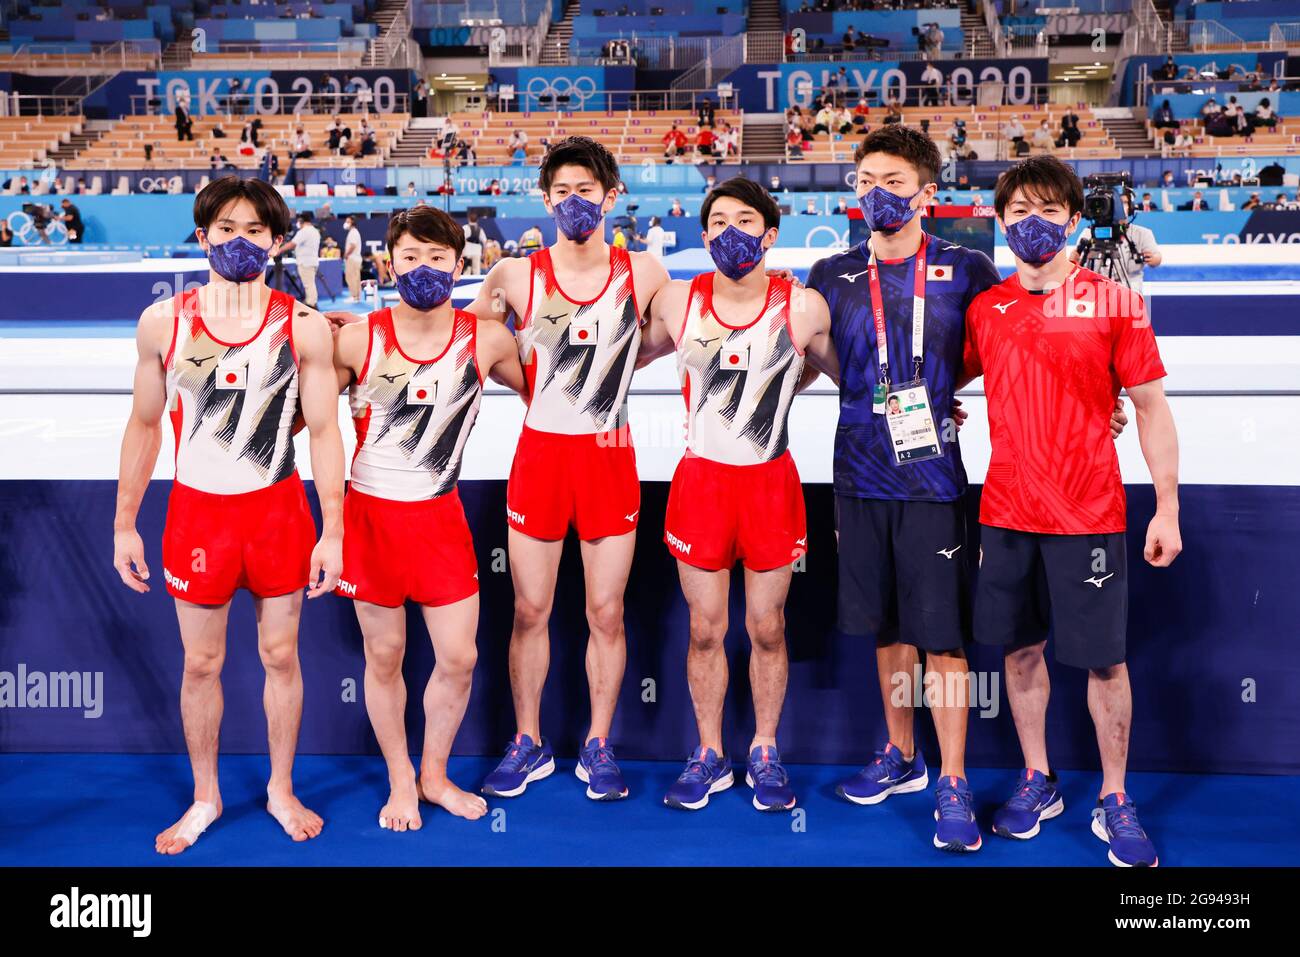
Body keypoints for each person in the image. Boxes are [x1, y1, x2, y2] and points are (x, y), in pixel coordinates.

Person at [111, 177, 342, 854]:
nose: (240, 241)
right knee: (201, 663)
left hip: (277, 513)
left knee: (280, 655)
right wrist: (125, 522)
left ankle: (281, 788)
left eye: (255, 230)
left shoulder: (303, 326)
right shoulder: (164, 322)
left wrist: (332, 529)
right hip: (198, 515)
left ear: (277, 242)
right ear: (202, 234)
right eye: (226, 228)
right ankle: (205, 795)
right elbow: (144, 425)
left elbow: (325, 432)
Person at [964, 155, 1181, 867]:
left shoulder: (1116, 303)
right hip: (1006, 511)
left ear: (1074, 220)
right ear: (1000, 222)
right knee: (1020, 651)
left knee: (1105, 662)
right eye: (1020, 210)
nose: (1034, 222)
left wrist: (1167, 507)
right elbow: (942, 379)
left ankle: (1115, 795)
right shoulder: (985, 309)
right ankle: (1038, 776)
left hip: (1089, 513)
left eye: (1050, 210)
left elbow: (1150, 408)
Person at [807, 126, 1001, 853]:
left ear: (927, 192)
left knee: (941, 633)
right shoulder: (830, 272)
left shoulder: (968, 266)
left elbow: (1007, 343)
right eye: (865, 179)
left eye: (893, 180)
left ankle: (953, 777)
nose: (876, 192)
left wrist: (941, 387)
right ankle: (901, 753)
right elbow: (821, 359)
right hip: (858, 473)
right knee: (886, 623)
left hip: (933, 478)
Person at [464, 136, 671, 800]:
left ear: (611, 197)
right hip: (542, 454)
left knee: (605, 611)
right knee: (530, 608)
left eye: (586, 189)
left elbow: (688, 331)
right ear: (545, 198)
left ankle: (598, 743)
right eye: (562, 190)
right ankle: (527, 741)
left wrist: (613, 370)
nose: (574, 201)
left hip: (608, 453)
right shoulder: (513, 275)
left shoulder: (644, 272)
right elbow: (462, 345)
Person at [635, 177, 837, 812]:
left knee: (767, 628)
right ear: (703, 235)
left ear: (771, 234)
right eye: (718, 222)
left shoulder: (803, 306)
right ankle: (709, 753)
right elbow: (617, 359)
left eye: (745, 221)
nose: (730, 233)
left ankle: (766, 749)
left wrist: (933, 407)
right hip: (703, 483)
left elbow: (858, 379)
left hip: (769, 484)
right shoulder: (677, 301)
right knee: (705, 630)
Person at [330, 206, 526, 831]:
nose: (423, 267)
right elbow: (307, 416)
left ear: (459, 263)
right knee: (385, 655)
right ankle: (400, 778)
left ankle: (434, 774)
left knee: (460, 656)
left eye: (437, 257)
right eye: (410, 256)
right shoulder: (357, 339)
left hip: (440, 519)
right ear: (390, 264)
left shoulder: (486, 339)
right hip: (370, 518)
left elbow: (549, 393)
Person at [1071, 195, 1162, 294]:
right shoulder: (1089, 233)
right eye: (1113, 202)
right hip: (1095, 292)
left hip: (1130, 292)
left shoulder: (1142, 233)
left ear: (1131, 206)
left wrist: (1155, 259)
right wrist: (1073, 260)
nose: (1117, 206)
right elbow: (1075, 263)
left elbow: (1157, 258)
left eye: (1123, 202)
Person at [280, 211, 321, 307]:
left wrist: (279, 250)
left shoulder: (304, 231)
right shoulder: (315, 231)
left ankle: (311, 304)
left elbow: (292, 244)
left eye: (298, 221)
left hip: (305, 262)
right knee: (310, 284)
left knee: (308, 285)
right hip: (312, 261)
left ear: (301, 220)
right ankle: (312, 302)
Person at [343, 214, 362, 301]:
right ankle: (356, 296)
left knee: (351, 278)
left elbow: (353, 245)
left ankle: (354, 296)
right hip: (354, 258)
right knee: (355, 278)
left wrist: (346, 254)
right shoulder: (353, 232)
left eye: (348, 222)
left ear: (352, 223)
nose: (345, 223)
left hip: (353, 258)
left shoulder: (353, 232)